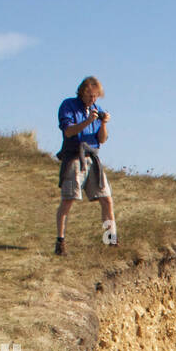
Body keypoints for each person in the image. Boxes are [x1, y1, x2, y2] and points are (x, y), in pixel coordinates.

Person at [55, 76, 116, 254]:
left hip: (93, 158)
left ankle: (111, 238)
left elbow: (102, 139)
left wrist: (103, 123)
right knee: (68, 200)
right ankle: (61, 241)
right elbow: (68, 131)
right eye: (91, 96)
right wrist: (88, 121)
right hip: (74, 158)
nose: (93, 99)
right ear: (82, 92)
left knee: (107, 199)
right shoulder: (68, 106)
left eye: (96, 96)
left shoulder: (97, 109)